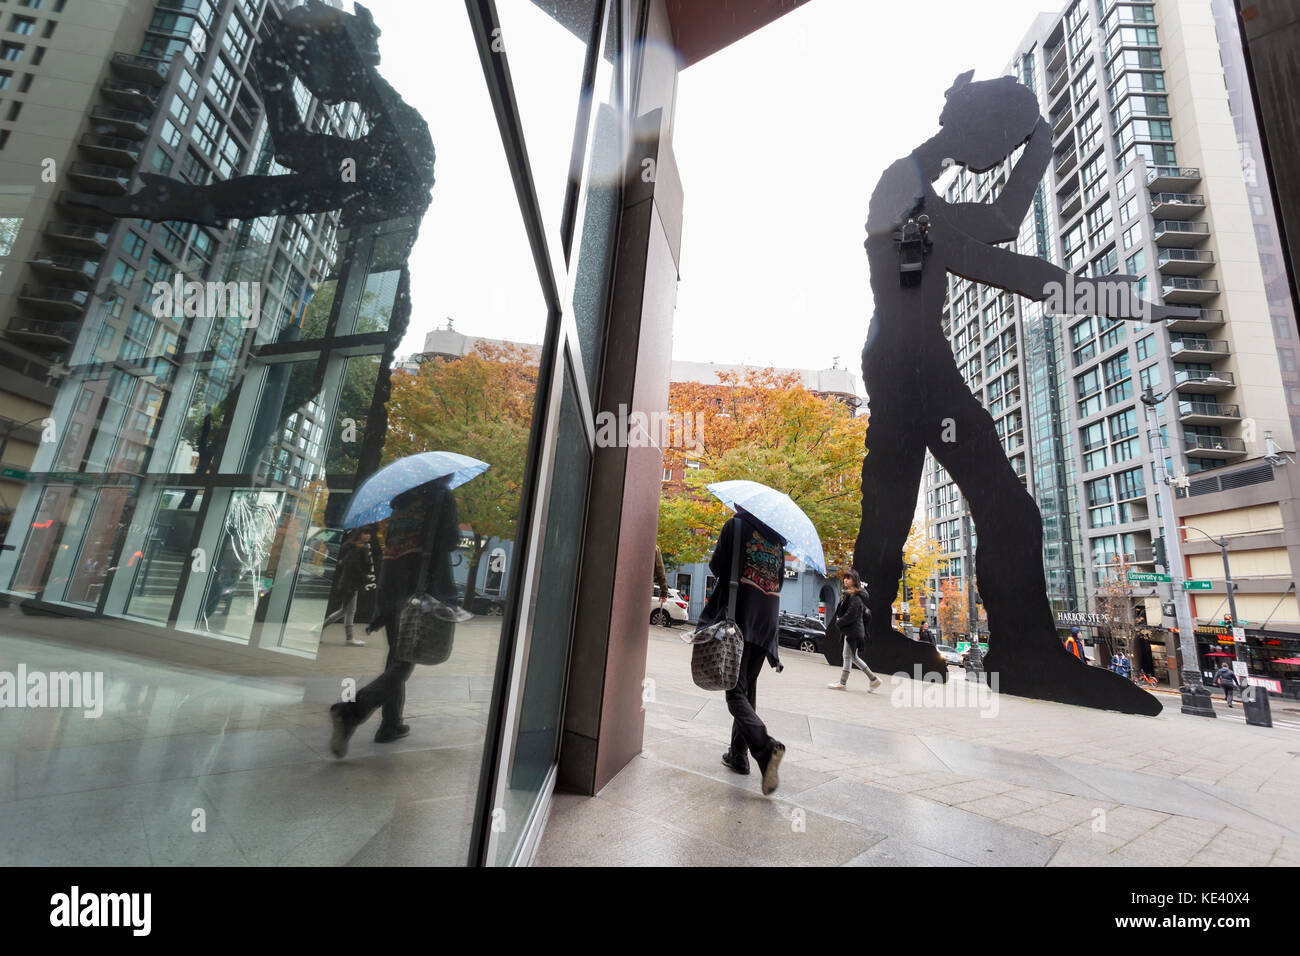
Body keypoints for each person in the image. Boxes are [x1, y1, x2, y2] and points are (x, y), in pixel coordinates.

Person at [854, 71, 1191, 715]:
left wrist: (1039, 143)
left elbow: (1004, 221)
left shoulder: (918, 185)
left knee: (892, 498)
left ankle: (871, 635)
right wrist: (1122, 300)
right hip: (914, 361)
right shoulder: (904, 181)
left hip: (902, 359)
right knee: (1007, 510)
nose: (998, 155)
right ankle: (1023, 655)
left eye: (1010, 145)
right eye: (1002, 138)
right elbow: (1004, 265)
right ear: (971, 127)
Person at [330, 476, 462, 756]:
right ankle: (351, 711)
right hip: (418, 587)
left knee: (397, 657)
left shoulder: (401, 503)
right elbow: (450, 539)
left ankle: (391, 724)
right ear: (442, 475)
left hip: (391, 588)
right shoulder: (440, 495)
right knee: (404, 661)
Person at [698, 506, 787, 796]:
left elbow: (716, 567)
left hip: (740, 616)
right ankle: (738, 755)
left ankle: (764, 746)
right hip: (766, 622)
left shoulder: (735, 526)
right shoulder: (777, 541)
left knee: (734, 691)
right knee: (747, 690)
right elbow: (781, 581)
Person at [828, 569, 882, 692]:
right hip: (853, 631)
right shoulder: (851, 594)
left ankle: (843, 683)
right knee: (851, 657)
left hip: (853, 631)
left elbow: (851, 615)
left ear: (854, 580)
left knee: (849, 657)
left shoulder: (855, 597)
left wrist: (839, 621)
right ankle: (873, 680)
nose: (846, 580)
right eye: (845, 578)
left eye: (849, 578)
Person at [324, 527, 377, 646]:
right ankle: (350, 638)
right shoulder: (356, 548)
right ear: (359, 534)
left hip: (350, 583)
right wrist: (366, 577)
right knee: (350, 611)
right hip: (350, 584)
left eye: (370, 533)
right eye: (366, 533)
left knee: (344, 611)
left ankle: (319, 630)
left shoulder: (357, 547)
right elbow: (353, 567)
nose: (368, 536)